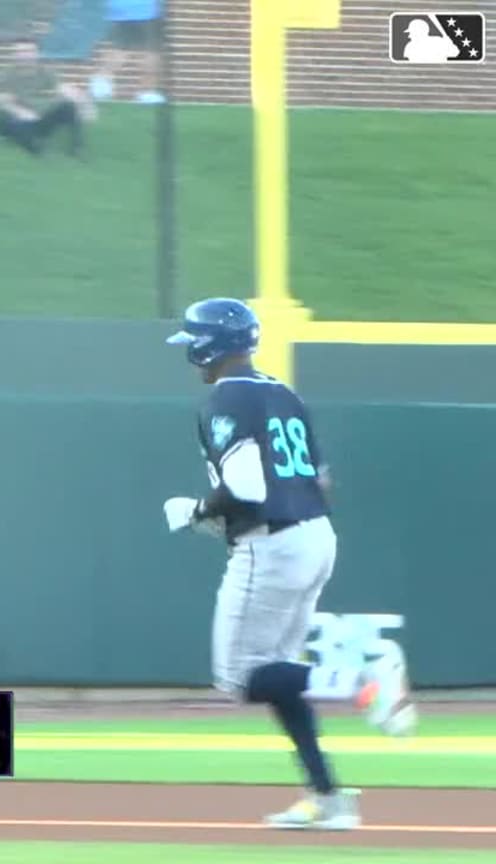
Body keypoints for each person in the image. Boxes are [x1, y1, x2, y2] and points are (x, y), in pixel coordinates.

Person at [162, 298, 418, 831]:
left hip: (272, 545)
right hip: (315, 535)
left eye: (195, 346)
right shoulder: (282, 392)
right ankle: (327, 796)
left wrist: (197, 512)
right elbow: (316, 480)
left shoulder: (224, 399)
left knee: (239, 677)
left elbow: (248, 487)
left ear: (210, 346)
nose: (193, 357)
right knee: (280, 673)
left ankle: (366, 678)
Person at [0, 37, 96, 157]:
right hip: (18, 119)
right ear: (14, 55)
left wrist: (84, 104)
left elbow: (63, 89)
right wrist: (20, 111)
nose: (24, 55)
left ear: (36, 53)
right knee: (7, 119)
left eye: (28, 51)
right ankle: (34, 148)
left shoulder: (45, 71)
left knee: (68, 106)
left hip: (39, 118)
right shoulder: (6, 73)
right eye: (19, 52)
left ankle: (78, 147)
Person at [89, 0, 165, 103]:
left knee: (120, 49)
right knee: (152, 50)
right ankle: (147, 91)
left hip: (119, 9)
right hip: (147, 8)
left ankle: (101, 84)